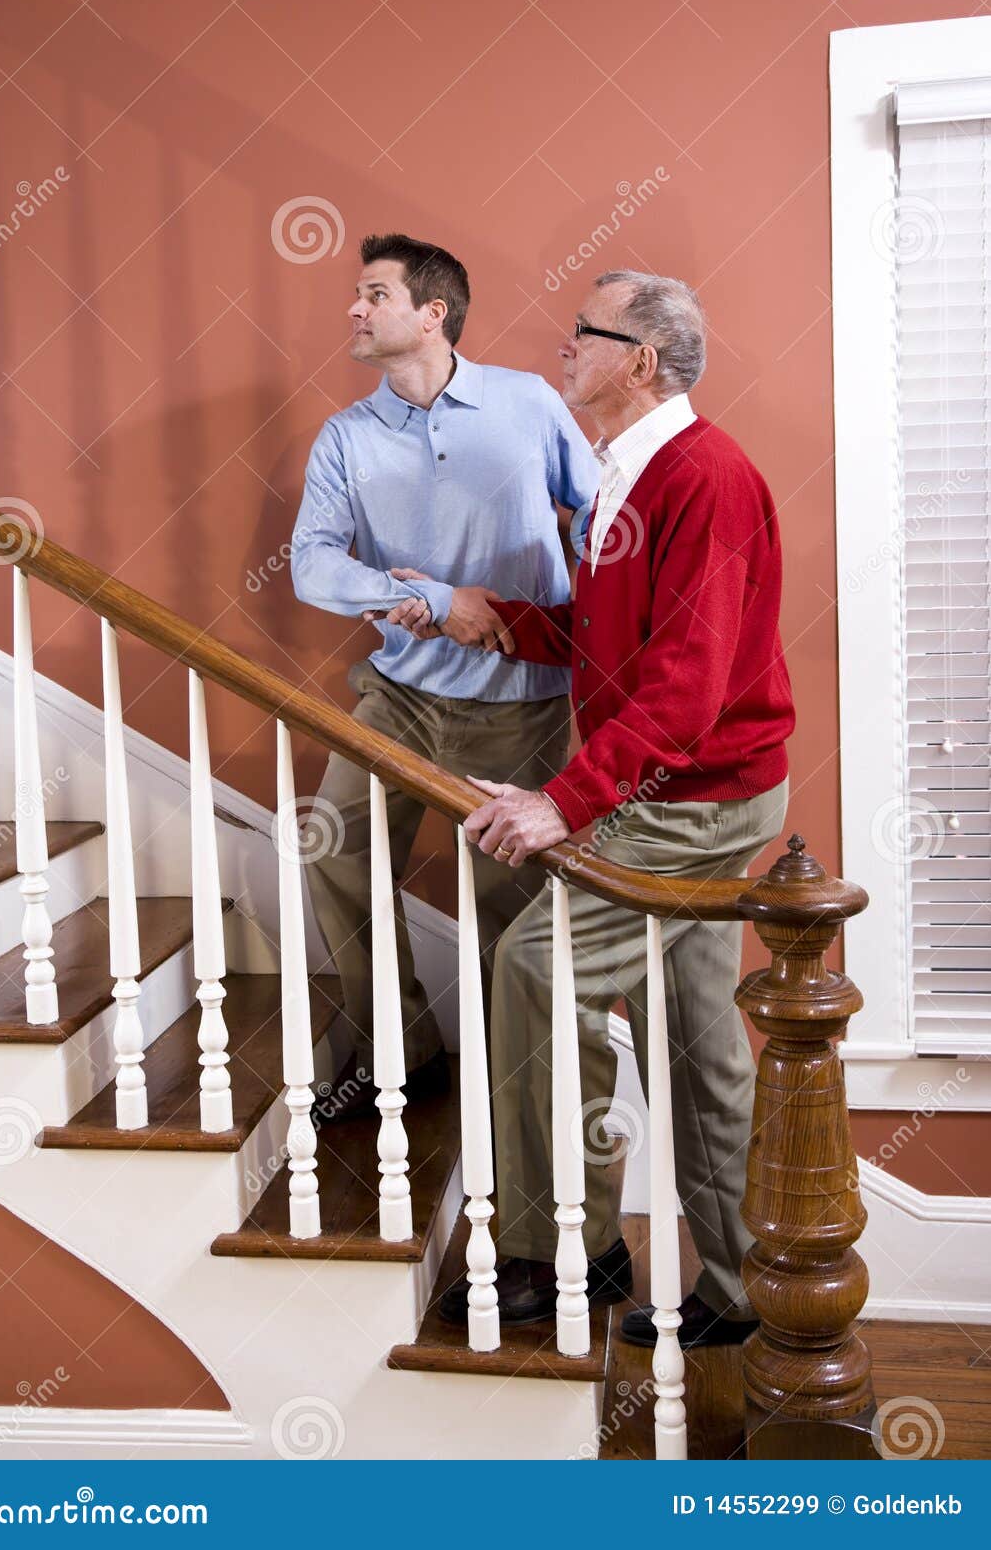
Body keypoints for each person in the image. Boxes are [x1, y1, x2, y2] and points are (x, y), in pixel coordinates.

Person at [397, 270, 795, 1345]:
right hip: (691, 787)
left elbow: (687, 682)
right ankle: (750, 1288)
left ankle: (564, 1247)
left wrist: (562, 802)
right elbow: (614, 641)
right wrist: (494, 623)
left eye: (584, 331)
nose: (560, 345)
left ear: (640, 362)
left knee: (534, 966)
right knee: (697, 1039)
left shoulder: (702, 477)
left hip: (696, 799)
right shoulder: (628, 471)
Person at [290, 232, 599, 1122]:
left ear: (432, 313)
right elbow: (312, 562)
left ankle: (521, 1114)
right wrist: (418, 593)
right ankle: (402, 1048)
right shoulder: (346, 436)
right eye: (356, 294)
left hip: (518, 709)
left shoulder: (527, 402)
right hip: (400, 697)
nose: (354, 308)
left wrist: (582, 625)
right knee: (334, 852)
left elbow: (596, 514)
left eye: (373, 294)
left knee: (513, 917)